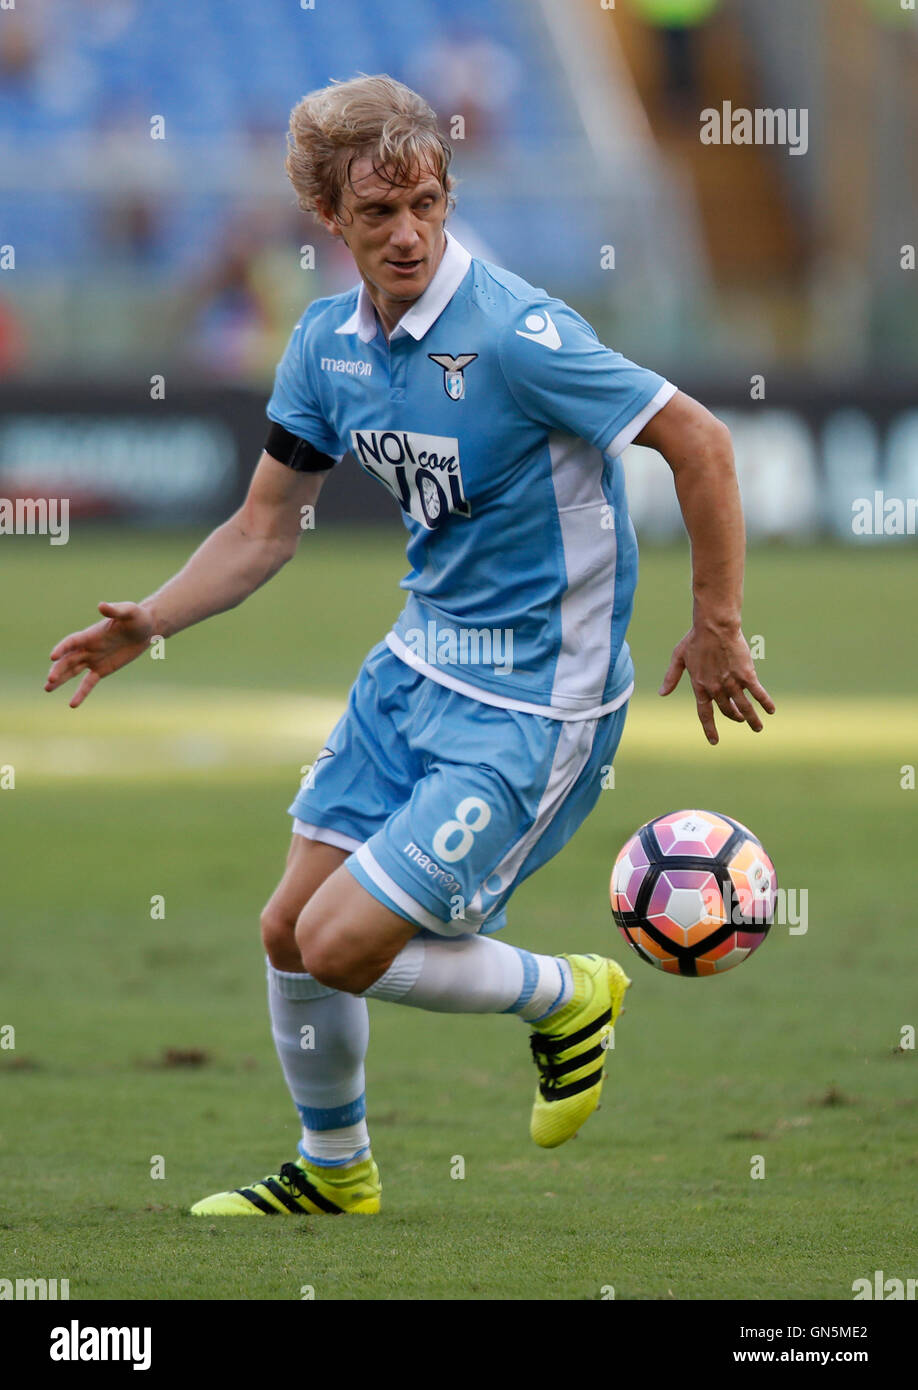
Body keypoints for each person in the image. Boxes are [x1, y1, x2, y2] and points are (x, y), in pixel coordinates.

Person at [45, 75, 773, 1218]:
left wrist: (719, 624)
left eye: (426, 205)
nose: (408, 234)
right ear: (328, 218)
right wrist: (153, 617)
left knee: (340, 944)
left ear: (447, 200)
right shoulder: (327, 344)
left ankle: (567, 992)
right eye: (378, 213)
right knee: (287, 927)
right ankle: (335, 1170)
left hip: (537, 703)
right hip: (413, 671)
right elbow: (263, 527)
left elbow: (702, 443)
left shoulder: (521, 335)